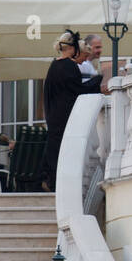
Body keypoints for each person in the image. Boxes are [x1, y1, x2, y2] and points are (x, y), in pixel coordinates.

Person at [42, 30, 103, 191]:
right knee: (65, 149)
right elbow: (78, 91)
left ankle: (52, 180)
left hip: (53, 113)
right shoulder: (69, 66)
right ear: (74, 48)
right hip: (65, 114)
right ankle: (60, 183)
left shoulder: (54, 64)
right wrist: (98, 82)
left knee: (55, 147)